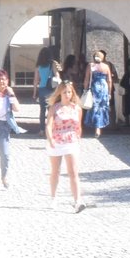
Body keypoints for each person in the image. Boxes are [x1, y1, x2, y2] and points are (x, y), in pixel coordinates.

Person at [45, 80, 84, 211]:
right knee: (55, 171)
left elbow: (78, 126)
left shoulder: (77, 108)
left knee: (73, 172)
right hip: (57, 140)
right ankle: (53, 198)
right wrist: (50, 139)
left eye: (69, 92)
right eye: (64, 92)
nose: (67, 94)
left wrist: (78, 139)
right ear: (59, 93)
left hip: (71, 141)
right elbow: (49, 125)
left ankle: (78, 201)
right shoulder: (54, 108)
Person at [87, 49, 116, 137]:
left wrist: (85, 90)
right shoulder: (106, 67)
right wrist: (109, 93)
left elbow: (86, 79)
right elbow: (110, 81)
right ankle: (101, 125)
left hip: (95, 87)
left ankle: (97, 128)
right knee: (102, 107)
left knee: (95, 107)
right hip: (104, 88)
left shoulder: (90, 65)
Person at [35, 53, 62, 128]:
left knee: (42, 110)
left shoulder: (38, 66)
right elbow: (57, 76)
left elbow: (36, 80)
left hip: (41, 89)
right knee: (51, 109)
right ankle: (52, 127)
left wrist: (34, 92)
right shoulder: (52, 64)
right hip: (50, 89)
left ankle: (42, 129)